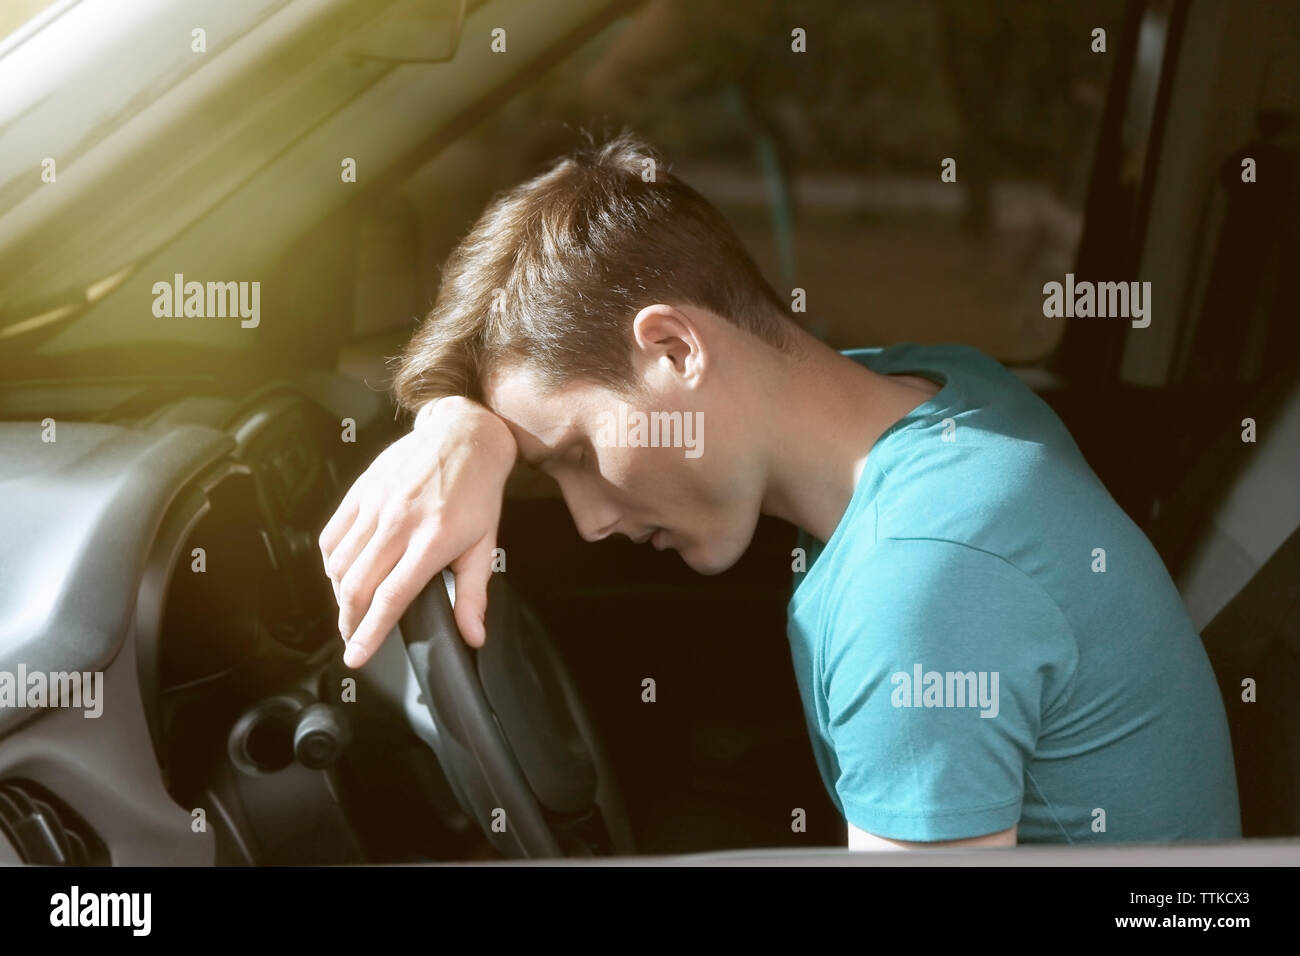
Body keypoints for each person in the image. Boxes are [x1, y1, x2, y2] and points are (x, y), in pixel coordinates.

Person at [318, 131, 1240, 850]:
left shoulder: (916, 591)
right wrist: (460, 426)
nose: (590, 519)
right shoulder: (937, 392)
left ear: (675, 350)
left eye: (573, 454)